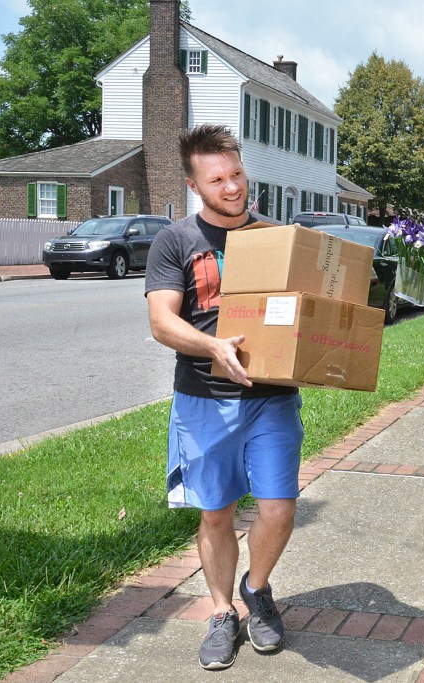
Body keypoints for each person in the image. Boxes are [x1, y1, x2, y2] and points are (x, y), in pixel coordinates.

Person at [145, 124, 303, 670]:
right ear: (195, 185)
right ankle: (221, 610)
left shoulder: (276, 236)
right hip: (203, 400)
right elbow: (163, 321)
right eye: (218, 179)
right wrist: (211, 345)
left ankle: (256, 590)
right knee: (215, 514)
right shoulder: (176, 242)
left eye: (236, 173)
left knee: (280, 509)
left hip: (273, 397)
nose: (232, 186)